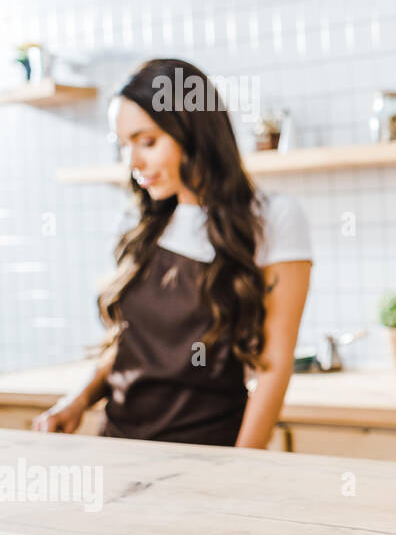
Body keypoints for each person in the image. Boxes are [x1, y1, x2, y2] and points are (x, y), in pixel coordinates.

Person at [33, 58, 312, 447]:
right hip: (119, 449)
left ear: (194, 131)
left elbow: (274, 366)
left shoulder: (272, 218)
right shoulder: (139, 223)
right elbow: (128, 344)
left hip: (209, 458)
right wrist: (77, 400)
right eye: (123, 145)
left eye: (147, 142)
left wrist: (243, 467)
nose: (132, 163)